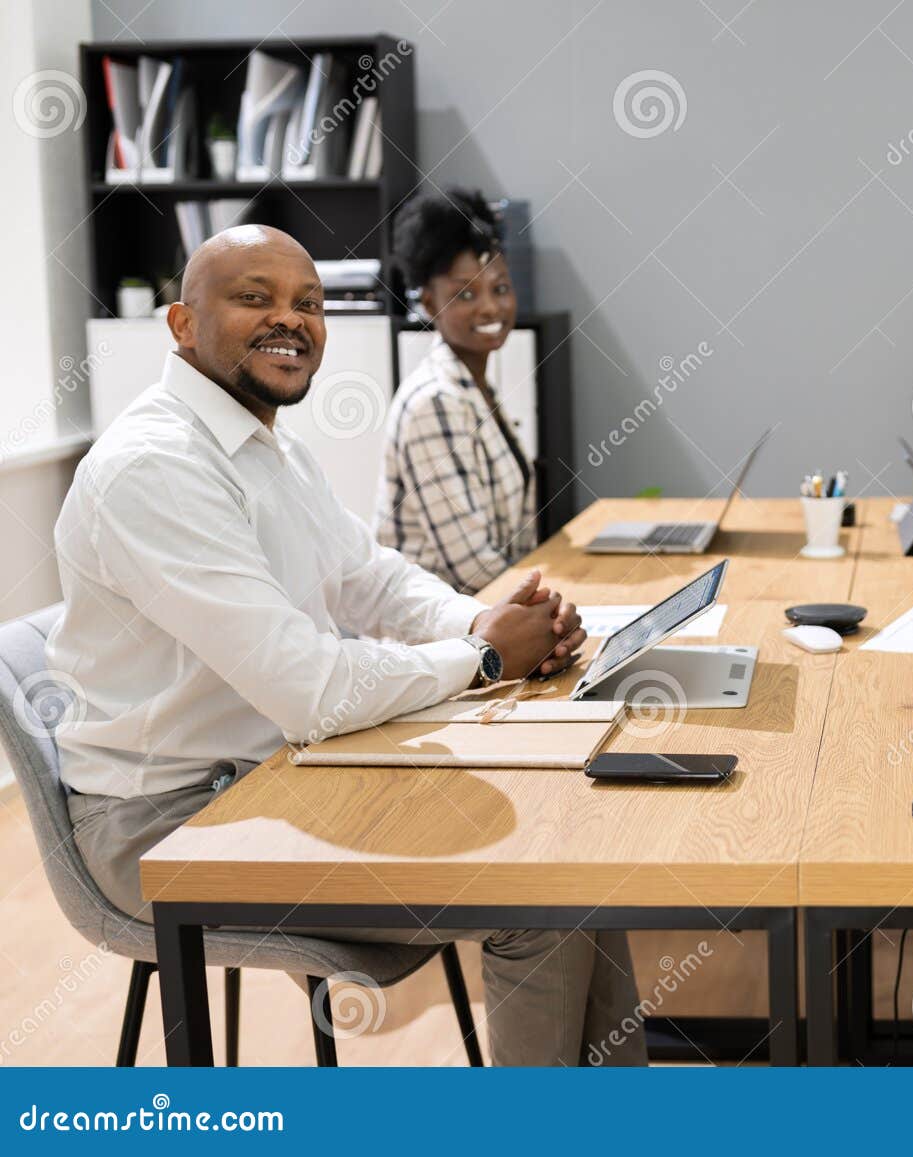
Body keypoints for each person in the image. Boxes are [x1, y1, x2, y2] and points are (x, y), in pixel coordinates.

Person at [48, 225, 645, 1066]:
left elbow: (373, 578)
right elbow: (310, 689)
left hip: (273, 772)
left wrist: (478, 624)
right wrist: (481, 663)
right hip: (171, 823)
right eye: (254, 298)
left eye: (309, 303)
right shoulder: (154, 467)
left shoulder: (273, 452)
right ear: (182, 324)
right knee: (535, 899)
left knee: (571, 862)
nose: (289, 320)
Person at [379, 188, 534, 594]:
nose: (489, 308)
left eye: (500, 288)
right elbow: (472, 569)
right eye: (465, 294)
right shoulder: (435, 401)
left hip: (491, 616)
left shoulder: (475, 389)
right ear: (430, 304)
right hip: (435, 642)